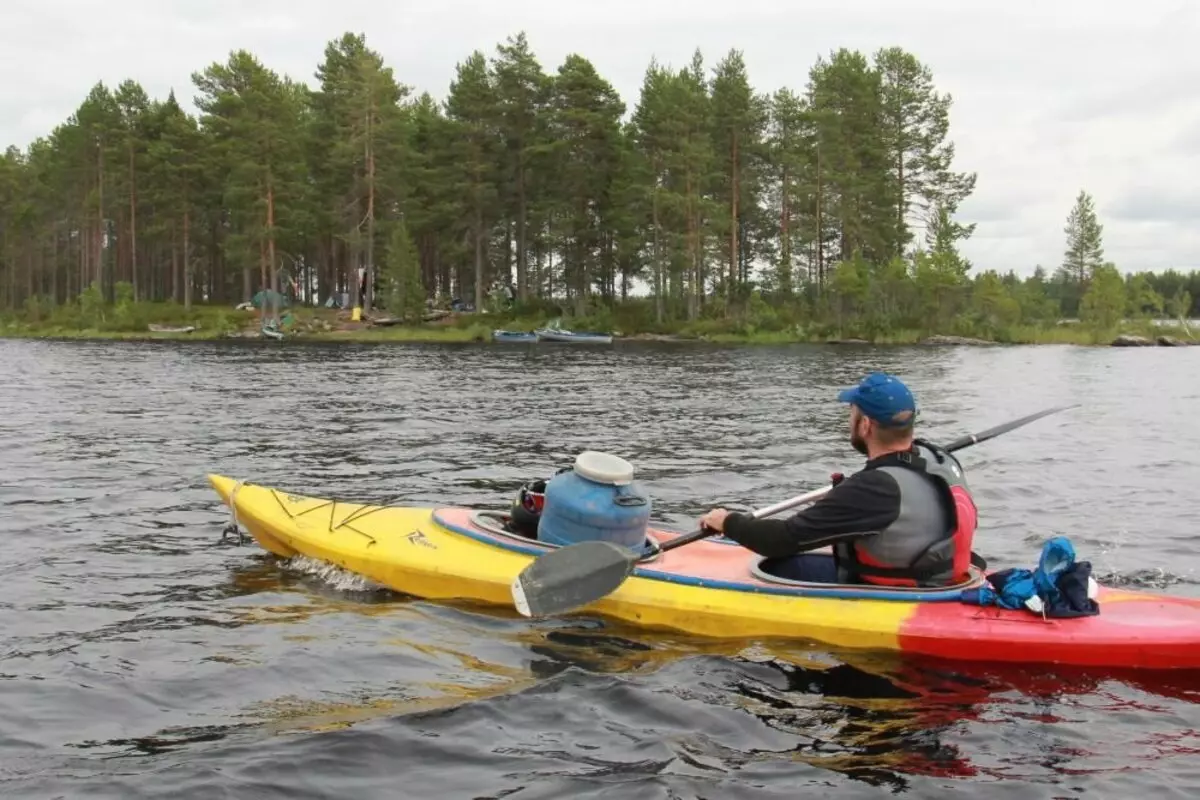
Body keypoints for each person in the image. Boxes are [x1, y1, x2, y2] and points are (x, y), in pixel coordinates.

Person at [698, 372, 979, 587]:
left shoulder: (873, 489)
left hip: (899, 594)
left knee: (778, 559)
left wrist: (727, 521)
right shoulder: (938, 458)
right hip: (940, 580)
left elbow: (781, 540)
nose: (849, 420)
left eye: (852, 413)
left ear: (865, 425)